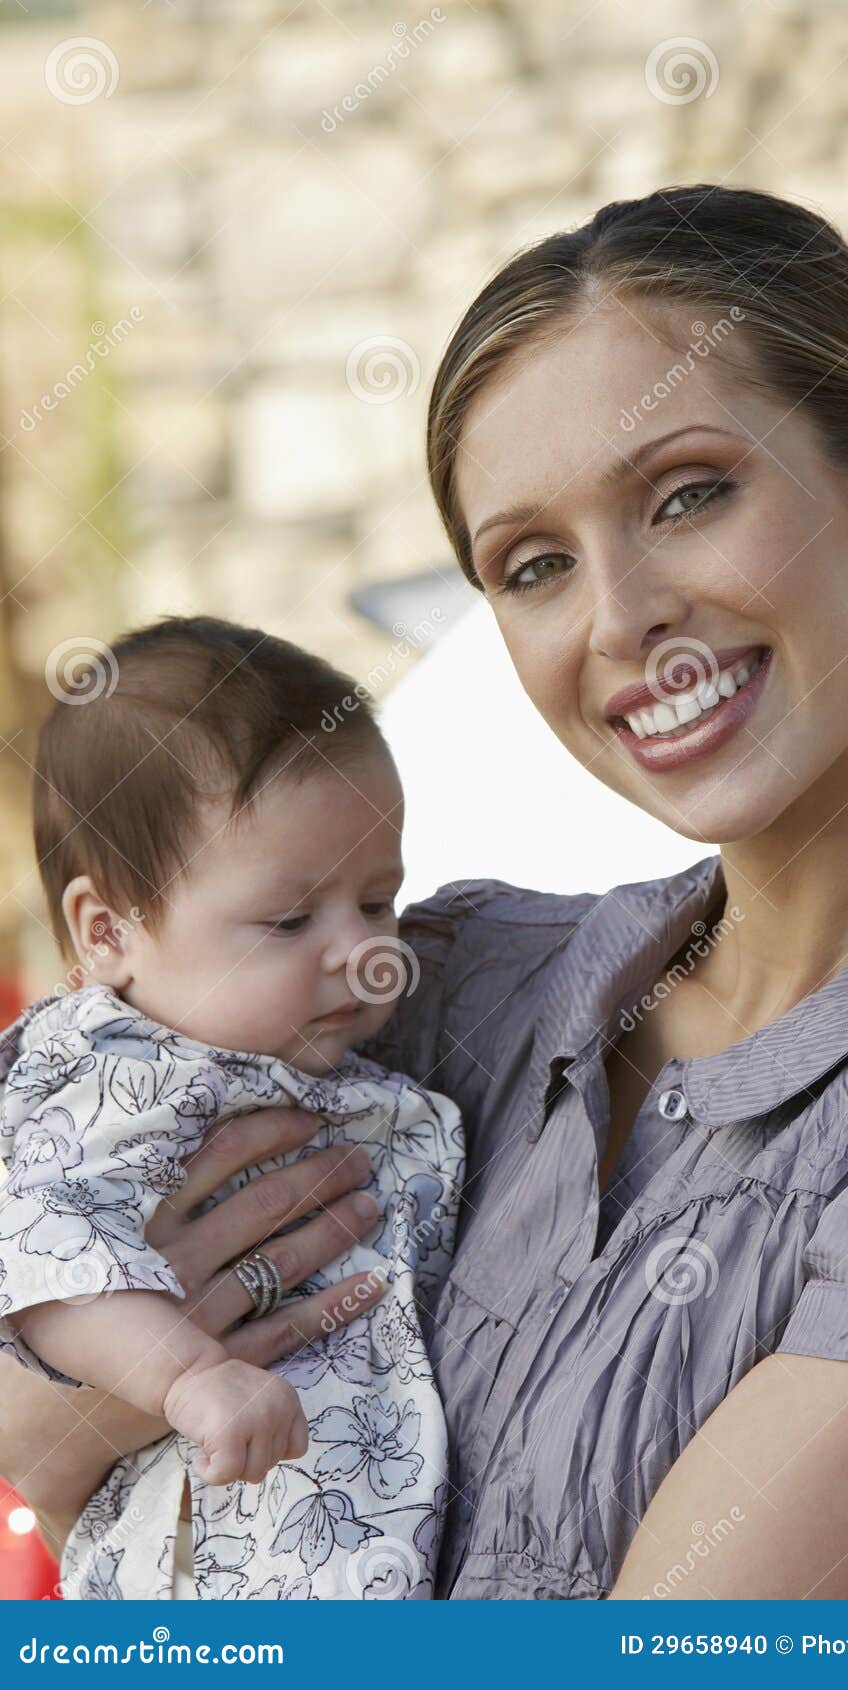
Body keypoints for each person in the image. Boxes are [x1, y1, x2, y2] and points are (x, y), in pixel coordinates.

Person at [3, 184, 848, 1600]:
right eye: (535, 565)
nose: (619, 617)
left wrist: (114, 1391)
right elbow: (45, 1400)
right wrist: (104, 1383)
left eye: (688, 493)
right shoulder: (438, 987)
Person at [0, 616, 463, 1599]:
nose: (360, 951)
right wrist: (186, 1376)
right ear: (107, 931)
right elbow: (41, 1253)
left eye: (377, 901)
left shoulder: (296, 1046)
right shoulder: (103, 1069)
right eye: (289, 920)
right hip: (197, 1550)